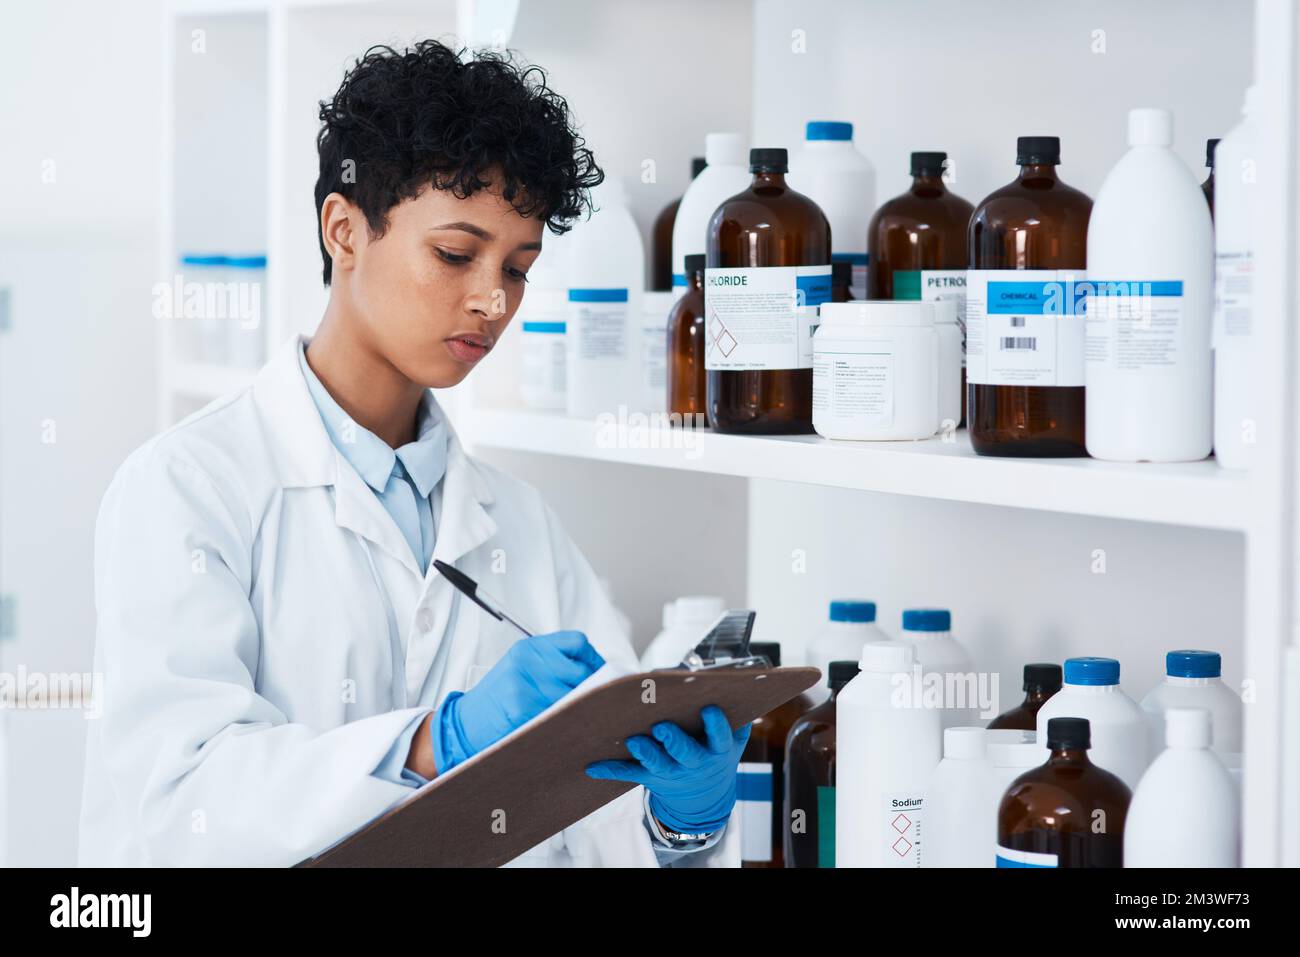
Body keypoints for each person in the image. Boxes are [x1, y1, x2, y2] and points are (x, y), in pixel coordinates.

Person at [79, 40, 747, 867]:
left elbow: (592, 807)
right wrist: (438, 741)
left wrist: (681, 818)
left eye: (519, 265)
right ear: (344, 230)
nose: (492, 299)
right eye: (456, 254)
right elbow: (182, 802)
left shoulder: (520, 524)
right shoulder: (187, 489)